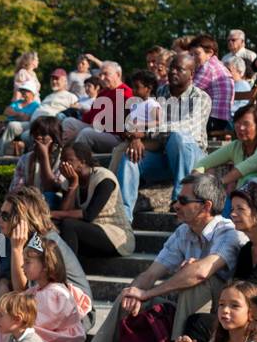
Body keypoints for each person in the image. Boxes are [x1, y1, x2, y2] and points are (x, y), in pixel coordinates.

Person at [63, 174, 240, 342]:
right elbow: (150, 274)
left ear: (206, 206)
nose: (176, 205)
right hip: (185, 307)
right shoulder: (183, 232)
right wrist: (136, 293)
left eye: (183, 201)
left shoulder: (227, 232)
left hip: (220, 313)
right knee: (129, 292)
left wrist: (148, 294)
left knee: (197, 282)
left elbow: (201, 272)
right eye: (177, 199)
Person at [111, 52, 211, 219]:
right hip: (163, 156)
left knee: (178, 138)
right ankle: (123, 217)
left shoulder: (201, 97)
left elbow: (186, 128)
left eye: (179, 69)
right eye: (171, 68)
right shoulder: (159, 92)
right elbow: (137, 121)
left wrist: (144, 132)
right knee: (130, 157)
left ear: (191, 74)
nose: (173, 72)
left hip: (193, 159)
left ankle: (180, 200)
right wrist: (135, 137)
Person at [51, 141, 134, 258]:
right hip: (91, 233)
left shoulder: (104, 178)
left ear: (82, 162)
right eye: (62, 160)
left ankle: (69, 271)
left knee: (68, 224)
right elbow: (66, 210)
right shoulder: (69, 180)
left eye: (68, 160)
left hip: (116, 236)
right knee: (57, 226)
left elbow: (89, 215)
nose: (63, 164)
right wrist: (73, 184)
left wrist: (54, 213)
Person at [191, 102, 257, 193]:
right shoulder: (236, 145)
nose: (241, 128)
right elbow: (204, 163)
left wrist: (219, 183)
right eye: (237, 123)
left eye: (246, 124)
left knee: (251, 179)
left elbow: (248, 166)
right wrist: (194, 180)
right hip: (238, 198)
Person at [61, 61, 131, 151]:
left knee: (86, 133)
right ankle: (63, 155)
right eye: (100, 74)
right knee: (68, 122)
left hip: (116, 136)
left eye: (106, 74)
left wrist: (76, 133)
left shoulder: (125, 93)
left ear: (118, 74)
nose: (102, 78)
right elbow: (89, 118)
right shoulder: (103, 93)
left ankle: (77, 160)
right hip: (97, 129)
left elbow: (114, 127)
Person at [8, 116, 67, 205]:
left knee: (49, 196)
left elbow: (51, 188)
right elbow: (16, 189)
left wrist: (44, 157)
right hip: (30, 202)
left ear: (54, 137)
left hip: (56, 204)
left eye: (43, 134)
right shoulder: (25, 159)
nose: (38, 137)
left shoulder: (64, 158)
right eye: (35, 134)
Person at [189, 34, 235, 134]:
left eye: (196, 54)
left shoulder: (208, 67)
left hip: (215, 120)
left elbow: (189, 92)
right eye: (191, 54)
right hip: (221, 119)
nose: (193, 58)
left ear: (210, 53)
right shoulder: (216, 64)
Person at [0, 82, 40, 155]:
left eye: (26, 91)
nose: (23, 92)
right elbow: (6, 111)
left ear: (32, 93)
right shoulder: (17, 102)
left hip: (24, 126)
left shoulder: (36, 105)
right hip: (9, 124)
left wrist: (14, 113)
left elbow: (26, 118)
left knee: (12, 125)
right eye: (22, 90)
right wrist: (19, 114)